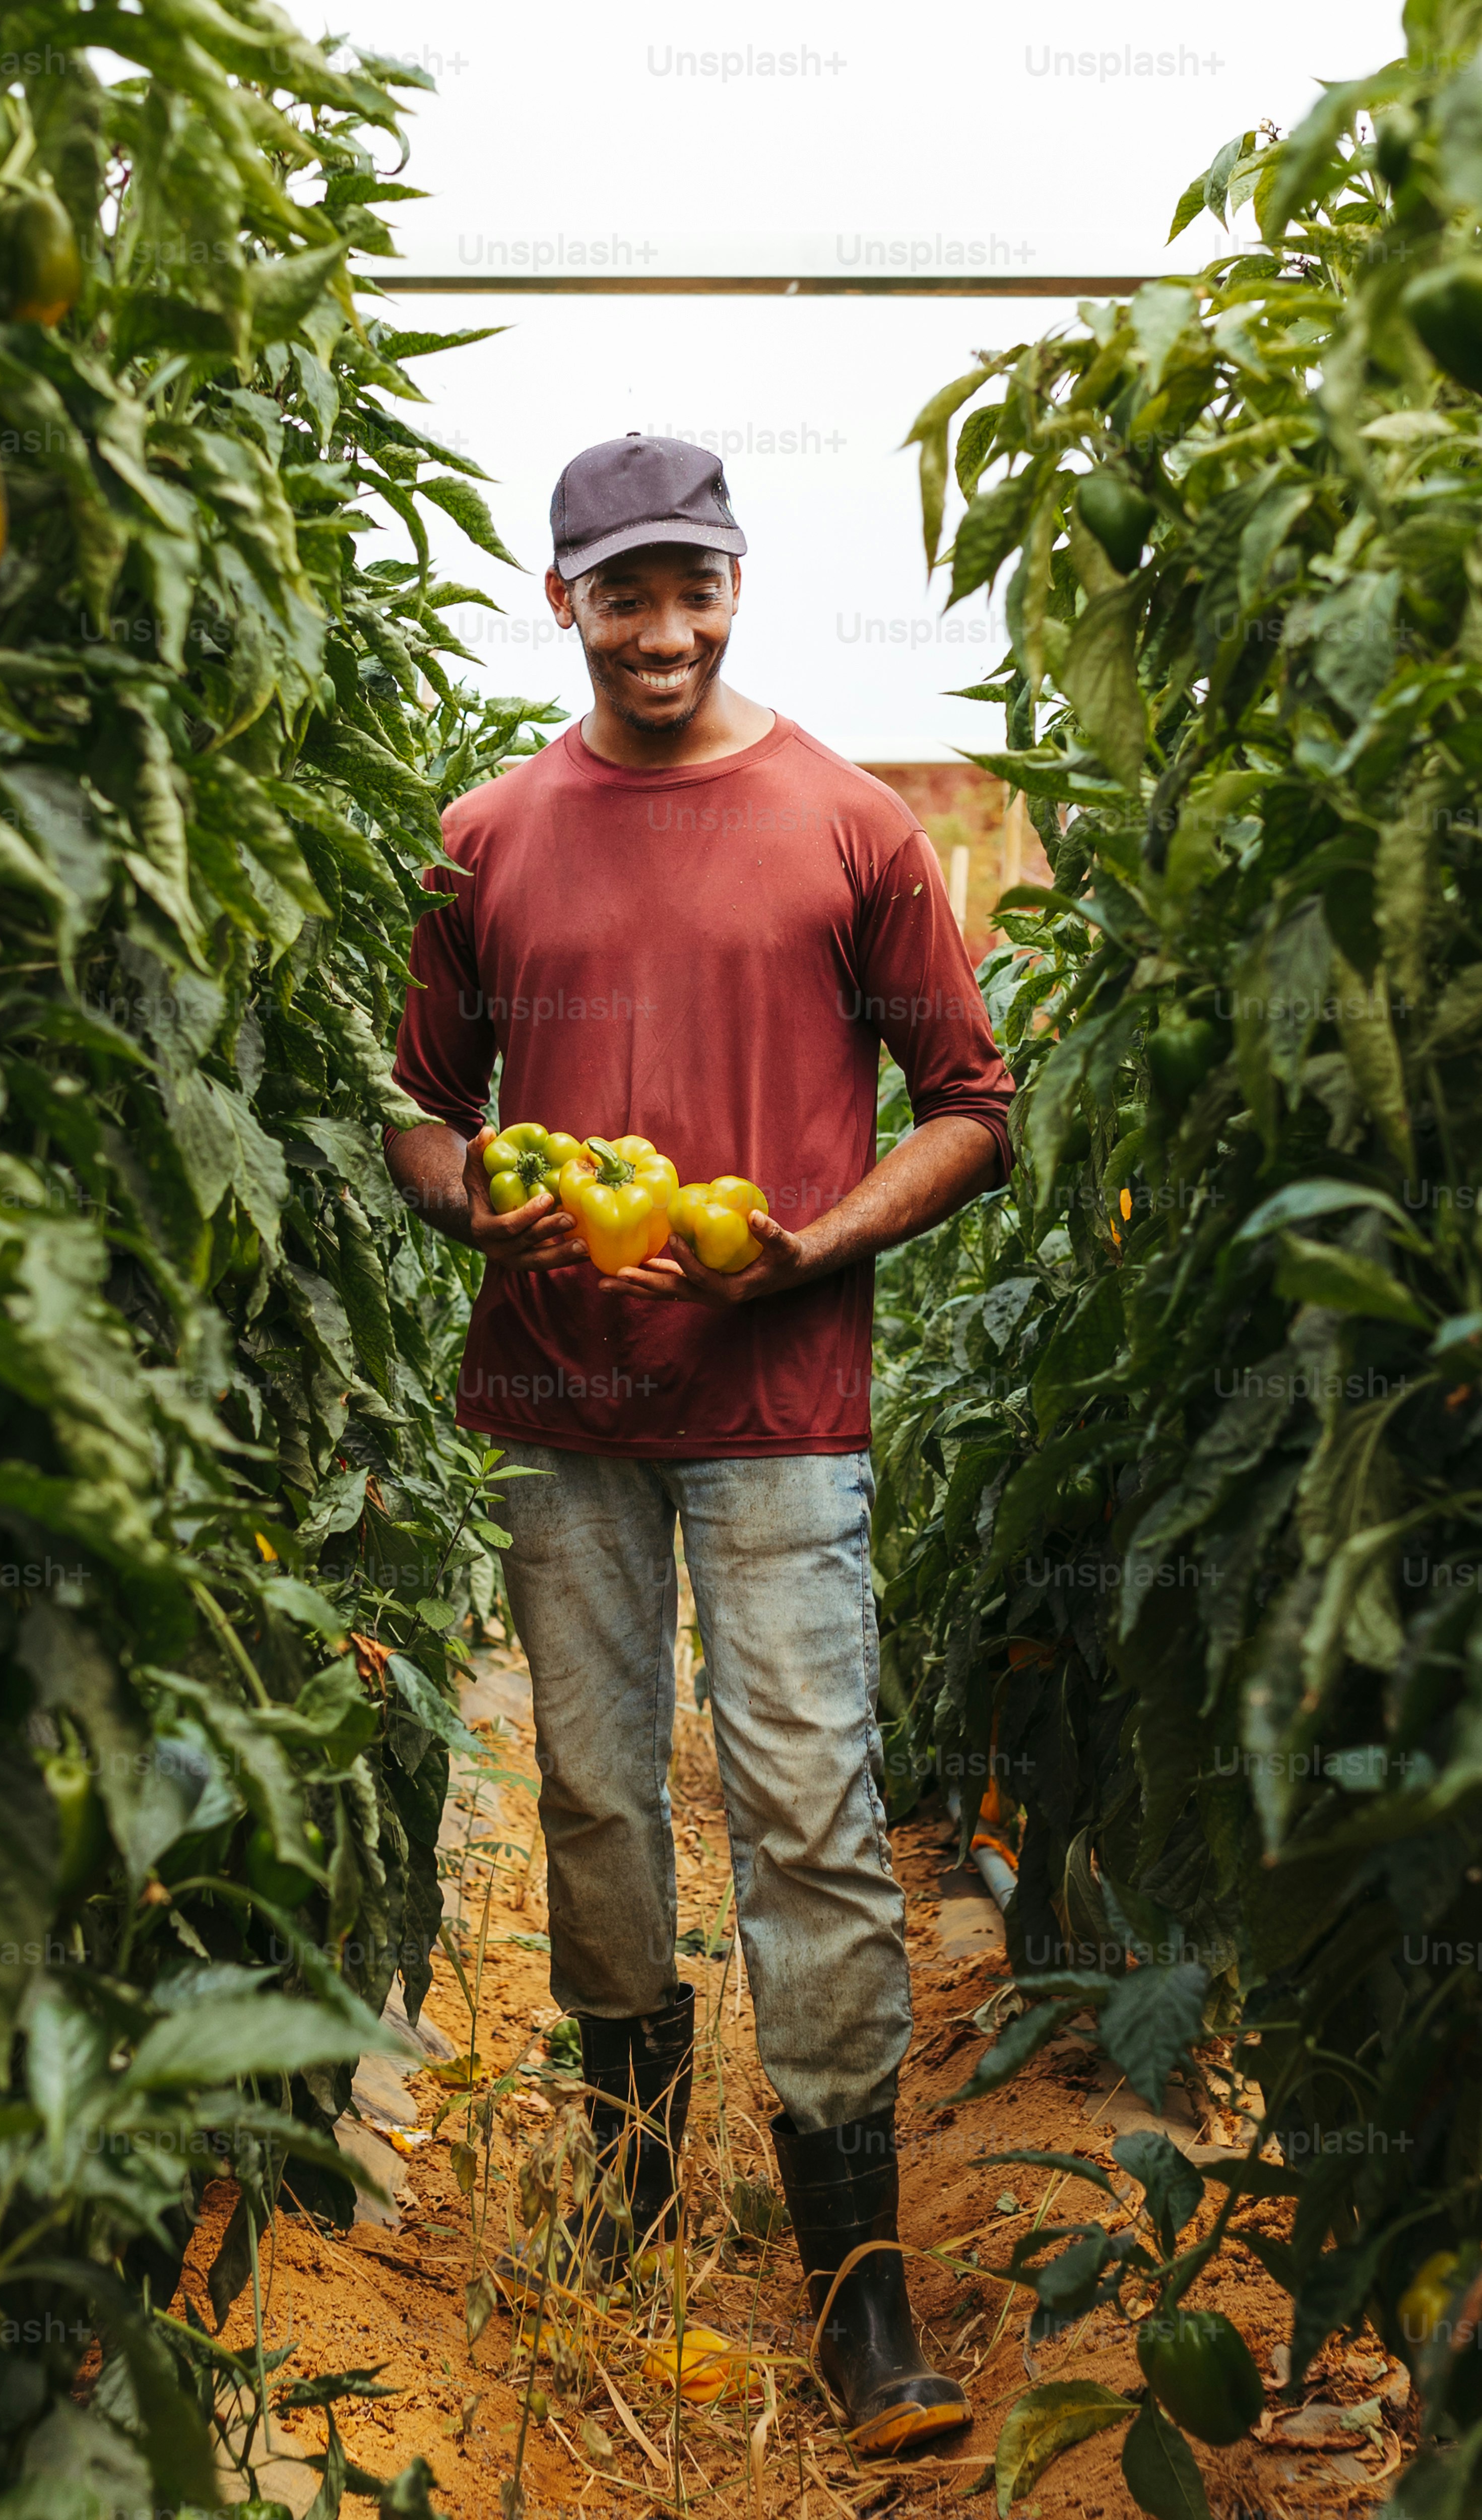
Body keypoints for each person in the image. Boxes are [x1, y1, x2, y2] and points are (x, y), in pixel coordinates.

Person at [385, 434, 1014, 2455]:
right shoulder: (485, 833)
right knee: (590, 1800)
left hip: (777, 1403)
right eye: (623, 593)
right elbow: (413, 1106)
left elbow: (974, 1102)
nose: (664, 629)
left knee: (816, 1817)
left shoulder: (845, 821)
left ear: (736, 584)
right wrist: (475, 1188)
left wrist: (815, 1244)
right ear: (562, 602)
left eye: (695, 587)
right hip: (556, 1406)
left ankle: (863, 2293)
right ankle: (637, 2203)